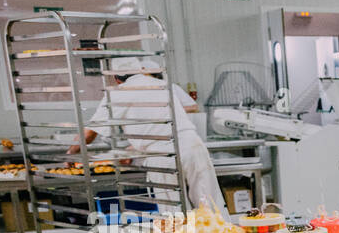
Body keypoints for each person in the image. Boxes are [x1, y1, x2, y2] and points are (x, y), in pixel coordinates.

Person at [69, 56, 225, 214]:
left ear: (116, 78)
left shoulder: (116, 94)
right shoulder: (163, 85)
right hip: (193, 146)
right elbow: (162, 127)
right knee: (210, 204)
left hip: (163, 157)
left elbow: (89, 134)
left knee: (175, 212)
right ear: (140, 71)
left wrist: (71, 153)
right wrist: (134, 148)